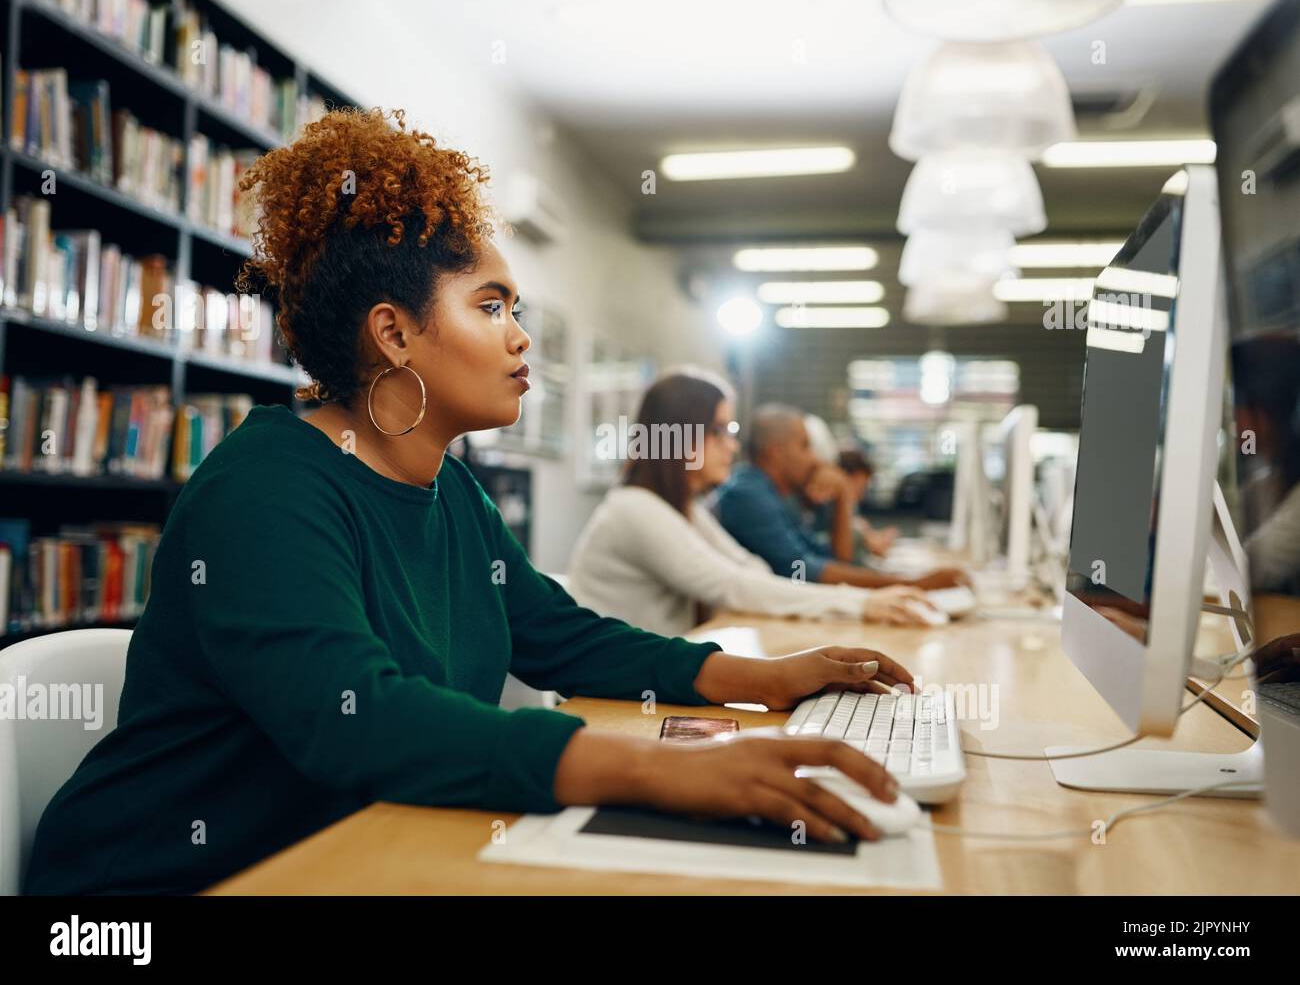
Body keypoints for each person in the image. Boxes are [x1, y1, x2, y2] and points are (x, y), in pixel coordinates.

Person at [23, 109, 912, 895]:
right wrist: (651, 770)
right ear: (394, 331)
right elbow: (361, 721)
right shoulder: (265, 489)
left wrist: (770, 680)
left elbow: (564, 636)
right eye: (492, 305)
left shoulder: (449, 489)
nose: (522, 335)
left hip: (349, 853)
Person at [567, 367, 934, 636]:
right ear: (681, 435)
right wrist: (861, 603)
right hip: (603, 704)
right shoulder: (635, 509)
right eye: (721, 431)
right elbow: (733, 585)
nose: (733, 445)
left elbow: (749, 569)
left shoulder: (681, 509)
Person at [714, 404, 965, 591]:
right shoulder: (748, 495)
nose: (814, 458)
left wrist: (845, 494)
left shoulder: (775, 495)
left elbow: (830, 559)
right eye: (804, 446)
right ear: (776, 452)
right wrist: (914, 584)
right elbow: (804, 572)